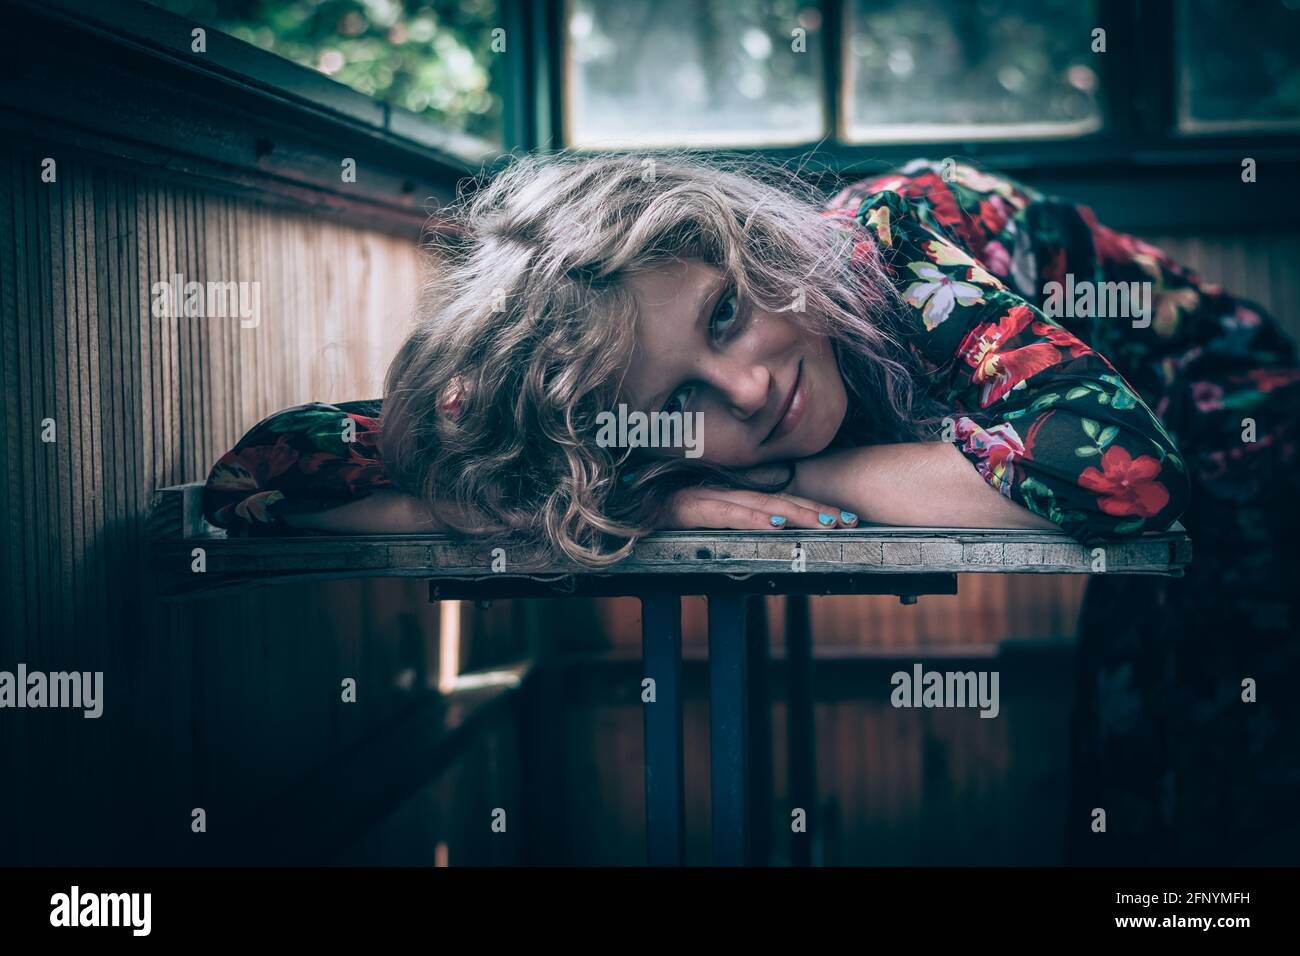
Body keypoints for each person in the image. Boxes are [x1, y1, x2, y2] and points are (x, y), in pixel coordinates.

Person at [202, 153, 1300, 864]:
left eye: (725, 311)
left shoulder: (884, 240)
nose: (746, 385)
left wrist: (783, 481)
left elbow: (1124, 477)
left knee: (1206, 786)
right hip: (1133, 489)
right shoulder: (639, 435)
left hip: (1250, 432)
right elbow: (264, 476)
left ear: (750, 244)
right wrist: (611, 492)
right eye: (675, 400)